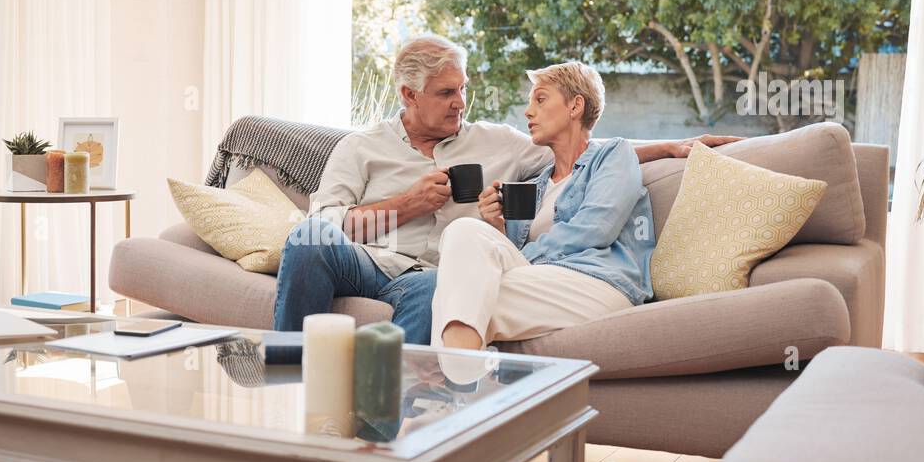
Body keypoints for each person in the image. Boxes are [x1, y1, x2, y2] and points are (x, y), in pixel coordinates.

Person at [273, 35, 738, 344]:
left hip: (433, 275)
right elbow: (326, 223)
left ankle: (398, 425)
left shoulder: (499, 143)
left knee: (440, 290)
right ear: (409, 95)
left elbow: (584, 155)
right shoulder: (362, 148)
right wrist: (405, 205)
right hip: (371, 260)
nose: (460, 103)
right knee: (307, 241)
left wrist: (674, 147)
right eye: (445, 94)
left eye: (463, 90)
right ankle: (286, 378)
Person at [433, 61, 657, 354]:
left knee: (460, 297)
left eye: (540, 99)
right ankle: (463, 386)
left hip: (597, 281)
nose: (528, 111)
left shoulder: (614, 154)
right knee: (464, 248)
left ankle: (450, 392)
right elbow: (508, 254)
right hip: (540, 281)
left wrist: (524, 257)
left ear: (575, 106)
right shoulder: (536, 185)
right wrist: (498, 227)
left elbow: (595, 229)